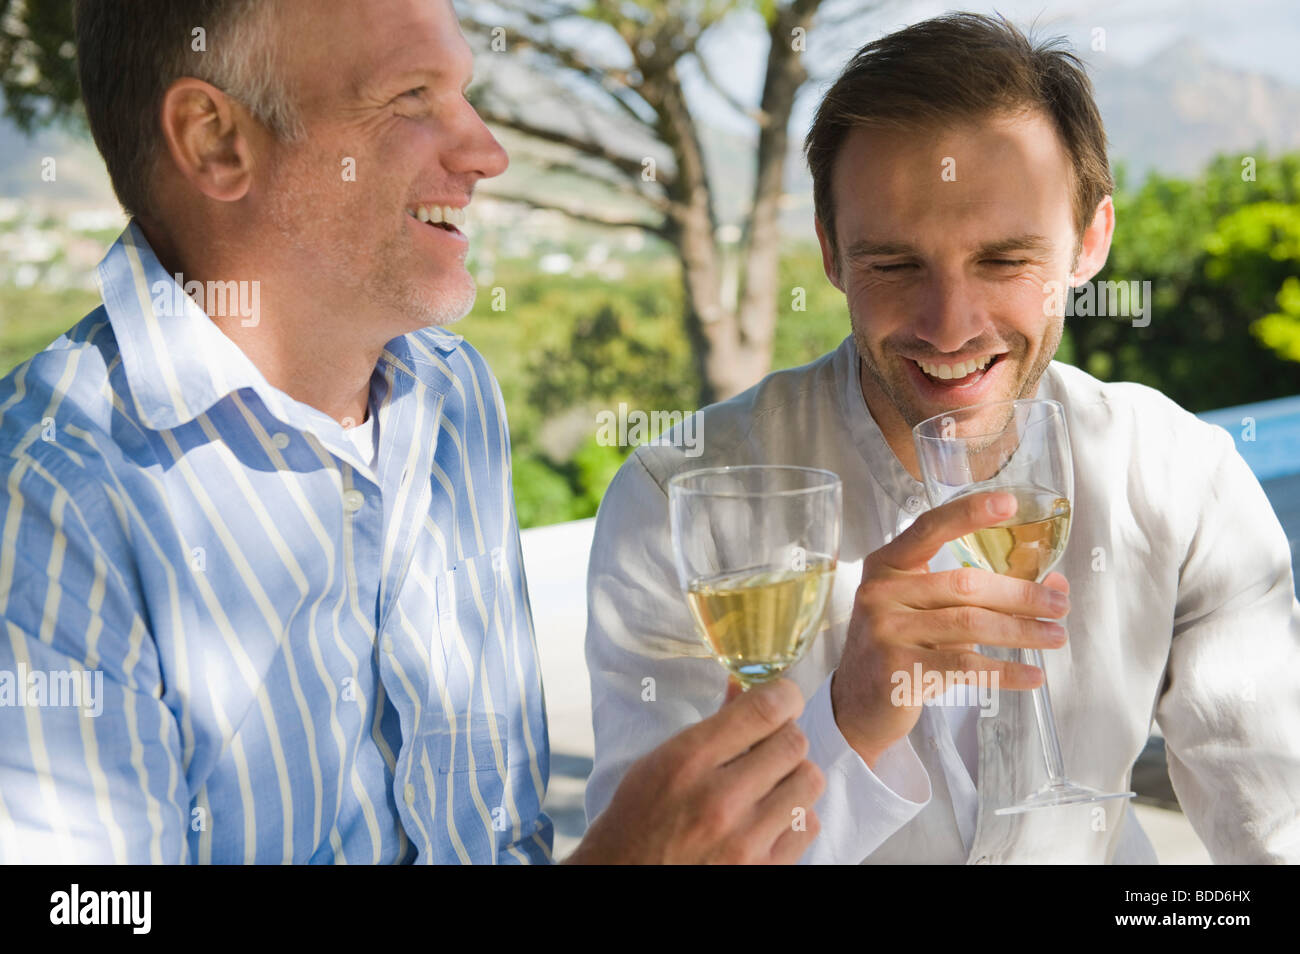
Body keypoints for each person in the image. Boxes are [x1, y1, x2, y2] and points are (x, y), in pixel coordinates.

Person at [0, 0, 824, 864]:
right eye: (411, 97)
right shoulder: (48, 510)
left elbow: (504, 840)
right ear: (215, 140)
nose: (486, 154)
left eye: (462, 93)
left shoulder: (454, 397)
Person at [584, 13, 1300, 863]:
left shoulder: (1183, 477)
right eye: (893, 264)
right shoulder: (679, 497)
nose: (950, 327)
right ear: (831, 253)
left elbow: (1275, 831)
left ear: (1091, 241)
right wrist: (843, 722)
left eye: (1003, 261)